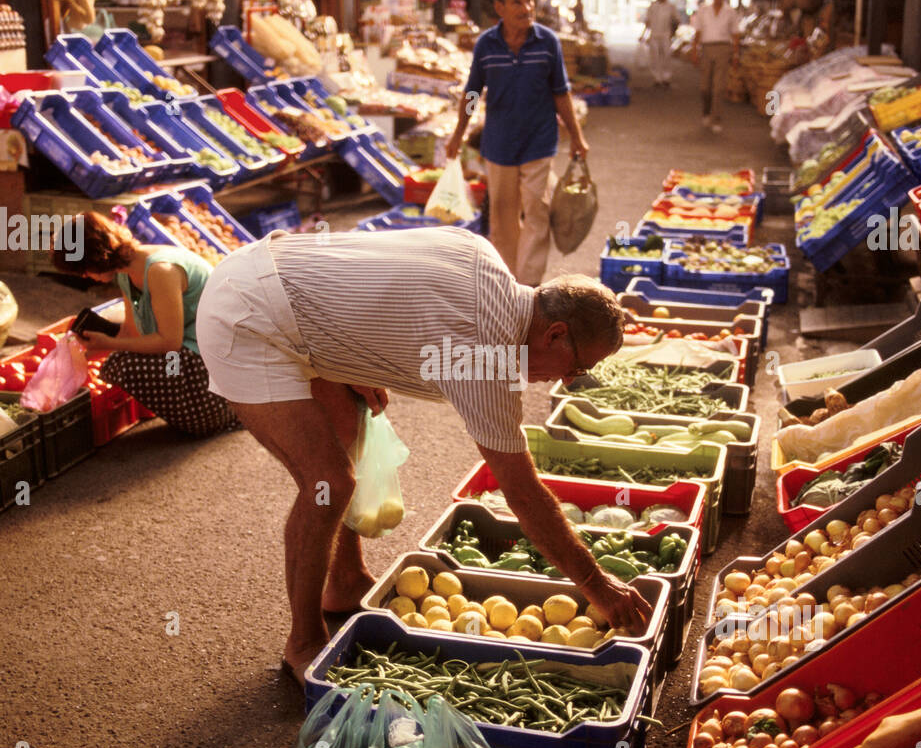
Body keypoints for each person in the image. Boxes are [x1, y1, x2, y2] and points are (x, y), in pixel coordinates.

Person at [195, 226, 653, 681]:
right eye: (577, 367)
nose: (571, 380)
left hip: (266, 271)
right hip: (246, 319)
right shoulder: (485, 357)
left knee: (348, 431)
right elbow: (522, 494)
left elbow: (383, 271)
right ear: (554, 334)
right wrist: (598, 586)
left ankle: (346, 582)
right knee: (327, 483)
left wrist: (352, 352)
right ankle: (303, 643)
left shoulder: (481, 253)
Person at [447, 0, 589, 287]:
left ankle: (529, 287)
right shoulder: (487, 44)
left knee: (536, 213)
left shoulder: (547, 42)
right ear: (499, 7)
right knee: (502, 219)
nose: (526, 8)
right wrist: (458, 134)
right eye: (516, 2)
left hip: (539, 141)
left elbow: (560, 93)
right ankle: (507, 284)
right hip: (498, 143)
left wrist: (577, 137)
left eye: (529, 1)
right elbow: (472, 92)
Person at [51, 211, 239, 437]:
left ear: (98, 257)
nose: (85, 276)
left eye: (84, 269)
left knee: (125, 367)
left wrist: (111, 344)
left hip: (216, 362)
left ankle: (218, 414)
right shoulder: (125, 273)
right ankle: (202, 409)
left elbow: (169, 342)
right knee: (118, 362)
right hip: (189, 356)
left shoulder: (161, 271)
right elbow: (131, 331)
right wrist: (87, 354)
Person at [691, 0, 740, 134]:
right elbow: (698, 32)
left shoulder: (730, 12)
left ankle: (716, 117)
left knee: (719, 86)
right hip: (707, 48)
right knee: (705, 87)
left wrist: (736, 54)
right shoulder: (703, 11)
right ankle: (706, 112)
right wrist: (694, 50)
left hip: (723, 48)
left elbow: (735, 34)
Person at [640, 0, 680, 88]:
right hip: (654, 35)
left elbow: (677, 20)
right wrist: (643, 35)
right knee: (655, 57)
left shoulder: (671, 7)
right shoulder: (653, 6)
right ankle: (657, 78)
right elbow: (648, 22)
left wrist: (673, 33)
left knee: (666, 55)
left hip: (666, 35)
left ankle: (666, 77)